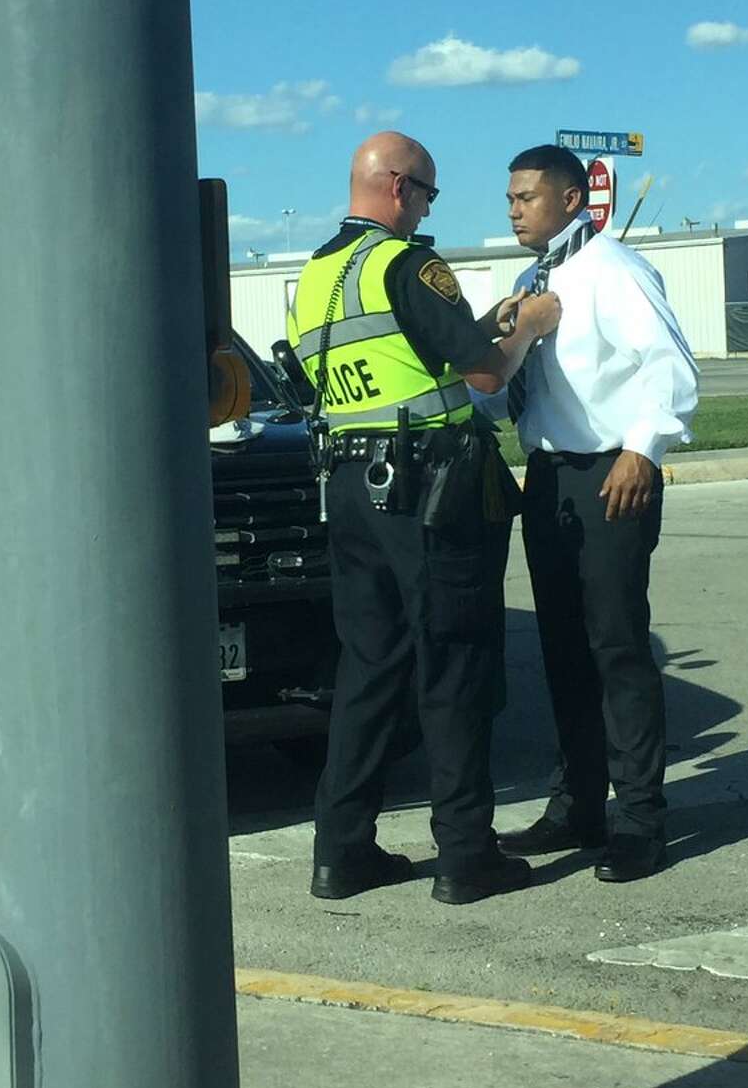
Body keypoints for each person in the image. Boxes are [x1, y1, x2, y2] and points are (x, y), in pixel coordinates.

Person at [287, 131, 560, 905]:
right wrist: (529, 326)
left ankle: (341, 851)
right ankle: (466, 855)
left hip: (349, 482)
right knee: (455, 661)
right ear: (401, 187)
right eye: (429, 195)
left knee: (369, 665)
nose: (429, 211)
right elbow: (483, 373)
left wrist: (484, 323)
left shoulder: (314, 276)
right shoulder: (409, 265)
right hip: (428, 485)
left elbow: (395, 360)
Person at [496, 144, 698, 882]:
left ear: (572, 199)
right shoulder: (532, 282)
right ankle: (577, 805)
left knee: (617, 647)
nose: (513, 210)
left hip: (610, 473)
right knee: (563, 649)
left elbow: (668, 365)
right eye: (510, 198)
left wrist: (643, 450)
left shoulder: (614, 269)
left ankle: (639, 818)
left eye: (526, 197)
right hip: (548, 476)